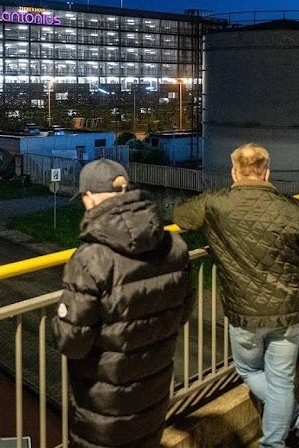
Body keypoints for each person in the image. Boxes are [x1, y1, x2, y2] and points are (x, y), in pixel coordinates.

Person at [174, 145, 299, 448]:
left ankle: (298, 420)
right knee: (281, 380)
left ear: (233, 172)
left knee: (248, 369)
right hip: (290, 309)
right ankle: (284, 432)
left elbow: (180, 216)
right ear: (267, 172)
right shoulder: (291, 207)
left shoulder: (215, 204)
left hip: (244, 310)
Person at [53, 159, 193, 448]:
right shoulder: (174, 245)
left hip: (103, 408)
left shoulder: (90, 260)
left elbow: (72, 343)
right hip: (153, 395)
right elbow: (182, 312)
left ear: (88, 197)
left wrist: (60, 319)